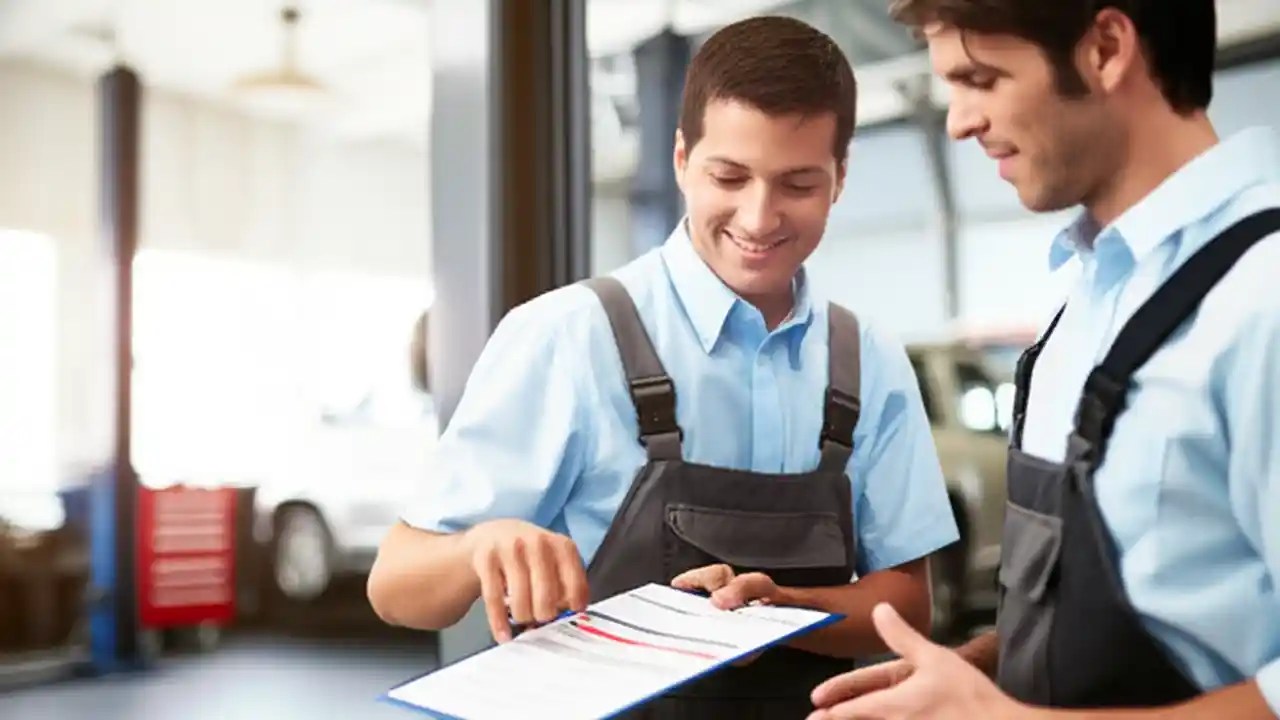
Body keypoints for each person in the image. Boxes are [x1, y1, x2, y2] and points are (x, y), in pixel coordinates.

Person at [366, 14, 960, 718]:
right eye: (729, 176)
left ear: (840, 178)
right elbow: (396, 588)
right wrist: (478, 547)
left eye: (798, 184)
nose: (759, 217)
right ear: (681, 159)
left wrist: (782, 607)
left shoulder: (869, 361)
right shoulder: (567, 337)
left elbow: (906, 603)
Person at [808, 1, 1280, 719]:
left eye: (981, 79)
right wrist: (979, 672)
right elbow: (1124, 618)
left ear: (1106, 48)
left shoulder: (1261, 295)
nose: (958, 122)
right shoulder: (1088, 294)